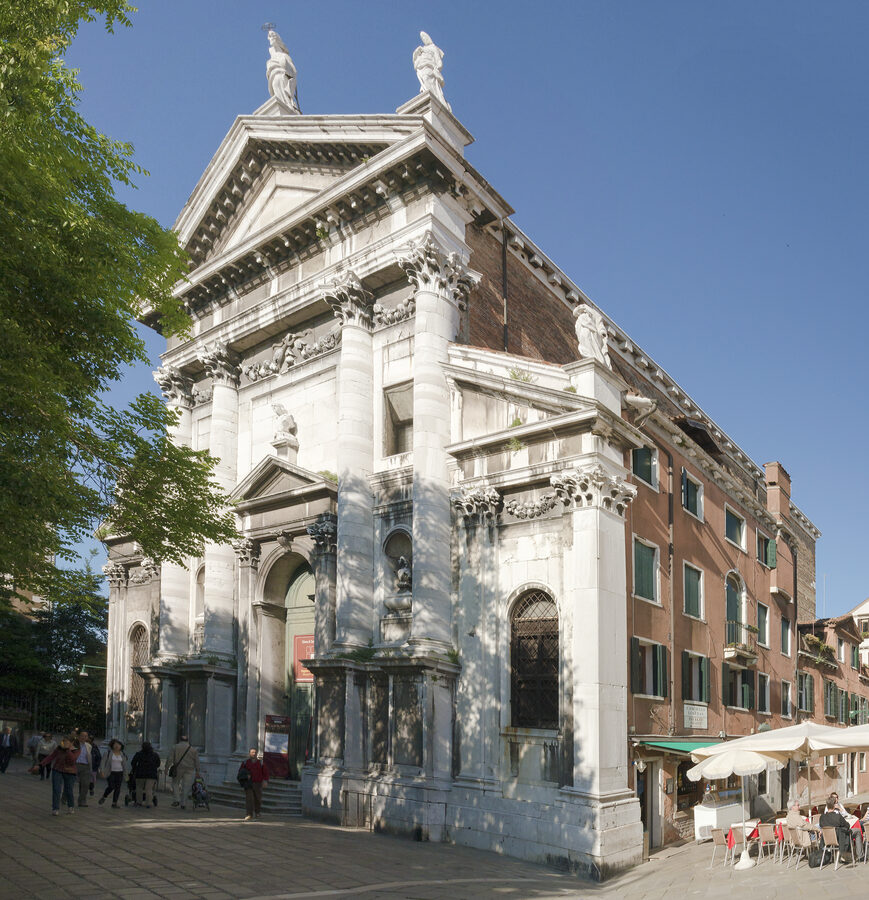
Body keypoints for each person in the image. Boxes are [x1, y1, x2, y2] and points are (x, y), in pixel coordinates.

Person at [41, 737, 78, 815]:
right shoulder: (59, 748)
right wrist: (41, 764)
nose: (65, 743)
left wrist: (68, 749)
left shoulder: (76, 750)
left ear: (71, 743)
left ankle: (71, 806)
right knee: (56, 789)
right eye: (64, 741)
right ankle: (55, 808)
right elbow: (51, 756)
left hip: (69, 772)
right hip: (57, 770)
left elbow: (72, 760)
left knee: (68, 790)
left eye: (67, 742)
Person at [819, 795, 860, 861]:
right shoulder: (837, 816)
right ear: (834, 805)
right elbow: (847, 825)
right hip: (839, 839)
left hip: (827, 840)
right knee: (857, 831)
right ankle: (860, 856)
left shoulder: (822, 817)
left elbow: (821, 827)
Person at [167, 735, 199, 810]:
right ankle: (183, 803)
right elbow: (197, 761)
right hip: (190, 769)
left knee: (175, 783)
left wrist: (166, 768)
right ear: (188, 740)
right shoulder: (193, 749)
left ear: (180, 740)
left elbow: (170, 758)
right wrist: (197, 770)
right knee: (186, 786)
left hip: (178, 768)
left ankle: (177, 799)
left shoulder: (175, 747)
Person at [237, 747, 269, 821]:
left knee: (258, 798)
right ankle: (249, 814)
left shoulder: (260, 763)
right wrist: (245, 776)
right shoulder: (245, 763)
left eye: (255, 752)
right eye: (252, 752)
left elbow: (265, 773)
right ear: (249, 753)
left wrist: (265, 780)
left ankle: (257, 812)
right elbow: (240, 772)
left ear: (257, 754)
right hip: (248, 783)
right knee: (249, 799)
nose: (253, 754)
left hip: (258, 783)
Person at [98, 739, 128, 808]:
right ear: (112, 745)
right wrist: (101, 771)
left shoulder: (122, 754)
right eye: (115, 744)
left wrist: (126, 775)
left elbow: (124, 765)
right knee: (111, 786)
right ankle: (104, 796)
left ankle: (114, 803)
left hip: (119, 772)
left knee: (118, 788)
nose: (117, 746)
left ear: (121, 746)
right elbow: (102, 762)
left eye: (119, 744)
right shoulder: (108, 753)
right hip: (110, 772)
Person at [130, 741, 161, 808]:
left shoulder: (138, 754)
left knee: (139, 788)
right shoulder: (155, 755)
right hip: (151, 774)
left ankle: (139, 802)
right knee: (149, 789)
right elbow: (158, 764)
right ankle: (148, 803)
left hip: (140, 774)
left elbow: (133, 763)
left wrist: (134, 769)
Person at [72, 730, 92, 806]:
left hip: (85, 766)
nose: (84, 737)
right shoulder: (74, 744)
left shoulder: (89, 746)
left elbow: (89, 757)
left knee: (85, 784)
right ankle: (65, 797)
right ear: (78, 736)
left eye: (85, 736)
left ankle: (82, 801)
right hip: (75, 765)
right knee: (70, 783)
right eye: (82, 736)